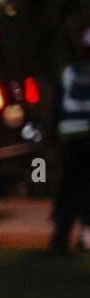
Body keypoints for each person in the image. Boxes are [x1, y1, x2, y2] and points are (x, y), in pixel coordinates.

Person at [50, 28, 90, 255]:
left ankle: (61, 236)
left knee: (70, 187)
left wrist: (53, 138)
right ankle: (82, 237)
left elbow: (58, 107)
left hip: (70, 139)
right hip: (86, 139)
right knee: (84, 190)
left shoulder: (70, 72)